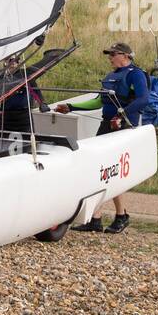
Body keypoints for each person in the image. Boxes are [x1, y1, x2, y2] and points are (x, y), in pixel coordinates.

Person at [60, 42, 149, 235]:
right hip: (106, 123)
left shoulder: (136, 74)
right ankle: (96, 219)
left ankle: (121, 215)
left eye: (113, 54)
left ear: (125, 55)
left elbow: (143, 99)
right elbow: (99, 101)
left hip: (124, 127)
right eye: (108, 54)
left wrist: (122, 114)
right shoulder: (111, 76)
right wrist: (72, 107)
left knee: (113, 172)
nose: (109, 58)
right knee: (99, 170)